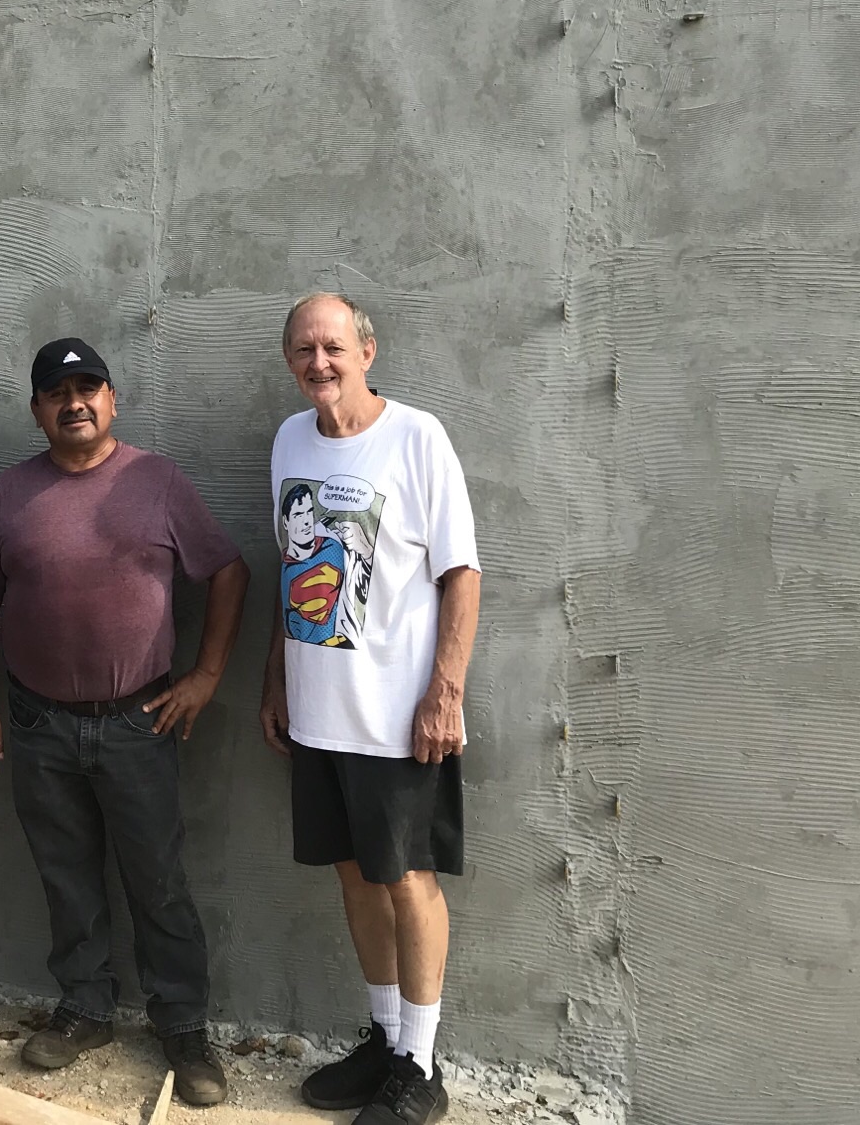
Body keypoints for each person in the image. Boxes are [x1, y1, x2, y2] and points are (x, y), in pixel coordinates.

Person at [0, 337, 250, 1109]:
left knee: (157, 879)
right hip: (37, 720)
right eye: (58, 392)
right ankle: (85, 1007)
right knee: (64, 872)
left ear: (112, 400)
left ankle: (183, 1027)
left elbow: (227, 570)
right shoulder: (12, 493)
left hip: (137, 723)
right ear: (37, 410)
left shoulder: (156, 482)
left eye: (89, 387)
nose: (75, 401)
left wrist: (206, 677)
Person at [261, 294, 481, 1125]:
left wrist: (444, 693)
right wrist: (275, 681)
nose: (320, 362)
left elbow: (462, 573)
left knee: (408, 881)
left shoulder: (416, 438)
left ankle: (422, 1067)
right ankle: (388, 1041)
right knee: (355, 878)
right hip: (319, 713)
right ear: (289, 360)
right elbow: (291, 567)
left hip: (397, 719)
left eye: (334, 346)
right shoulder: (288, 440)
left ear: (367, 350)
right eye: (304, 349)